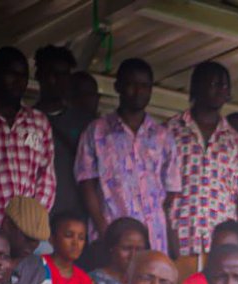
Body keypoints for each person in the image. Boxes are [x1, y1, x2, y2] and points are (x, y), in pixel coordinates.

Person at [76, 57, 179, 254]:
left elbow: (171, 189)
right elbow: (86, 183)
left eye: (144, 86)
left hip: (152, 238)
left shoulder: (162, 136)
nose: (138, 91)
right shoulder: (97, 131)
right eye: (131, 85)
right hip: (110, 236)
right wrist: (103, 228)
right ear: (118, 87)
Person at [166, 60, 238, 260]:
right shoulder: (169, 132)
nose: (220, 90)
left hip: (221, 243)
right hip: (178, 238)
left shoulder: (236, 142)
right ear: (196, 87)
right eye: (213, 84)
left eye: (224, 86)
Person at [0, 47, 55, 229]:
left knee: (45, 256)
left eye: (23, 76)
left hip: (27, 230)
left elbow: (46, 176)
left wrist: (32, 221)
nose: (18, 81)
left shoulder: (38, 122)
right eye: (11, 74)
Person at [34, 44, 90, 220]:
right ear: (38, 76)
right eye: (49, 73)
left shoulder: (86, 124)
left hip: (74, 220)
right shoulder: (25, 122)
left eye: (62, 74)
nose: (54, 80)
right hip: (36, 216)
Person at [0, 194, 52, 284]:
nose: (33, 244)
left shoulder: (40, 264)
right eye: (27, 237)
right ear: (7, 224)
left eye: (37, 240)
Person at [38, 211, 95, 284]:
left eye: (81, 238)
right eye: (69, 235)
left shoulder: (85, 280)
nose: (75, 243)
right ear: (52, 238)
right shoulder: (36, 266)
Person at [90, 216, 150, 284]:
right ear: (112, 248)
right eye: (126, 248)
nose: (133, 255)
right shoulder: (93, 282)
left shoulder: (148, 282)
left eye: (139, 249)